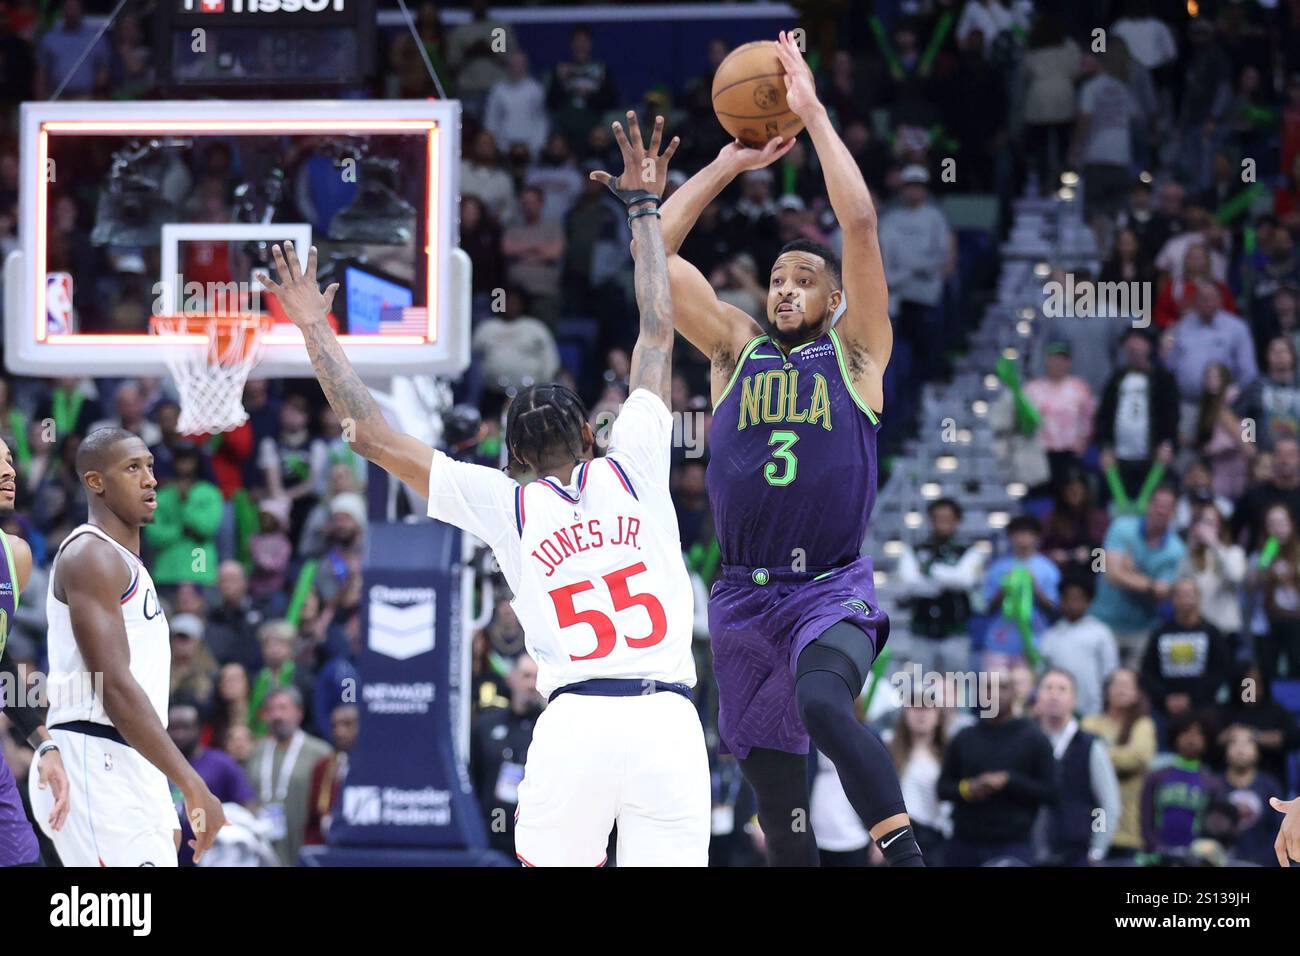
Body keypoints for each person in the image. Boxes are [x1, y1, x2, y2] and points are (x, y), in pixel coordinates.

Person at [259, 113, 711, 867]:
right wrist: (642, 208)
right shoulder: (633, 460)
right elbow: (657, 332)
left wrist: (312, 325)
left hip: (577, 720)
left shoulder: (508, 504)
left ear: (514, 462)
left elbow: (371, 435)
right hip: (666, 716)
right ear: (594, 435)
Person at [655, 32, 923, 867]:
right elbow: (652, 256)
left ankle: (911, 859)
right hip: (739, 597)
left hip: (827, 587)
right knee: (774, 795)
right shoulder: (734, 350)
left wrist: (811, 112)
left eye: (804, 277)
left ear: (836, 299)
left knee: (825, 705)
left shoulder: (857, 355)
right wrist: (730, 164)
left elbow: (862, 221)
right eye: (776, 276)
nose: (784, 286)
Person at [29, 427, 225, 865]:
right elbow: (113, 687)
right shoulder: (91, 556)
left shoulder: (126, 562)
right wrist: (191, 781)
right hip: (95, 756)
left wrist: (159, 786)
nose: (151, 479)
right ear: (96, 482)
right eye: (132, 468)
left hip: (127, 759)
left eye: (151, 466)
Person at [0, 436, 69, 866]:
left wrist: (43, 745)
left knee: (25, 860)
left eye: (9, 461)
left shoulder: (15, 555)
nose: (9, 471)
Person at [937, 671, 1058, 866]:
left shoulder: (1034, 738)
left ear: (1014, 693)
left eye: (1002, 687)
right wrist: (970, 788)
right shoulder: (964, 737)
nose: (994, 694)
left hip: (1013, 844)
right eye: (988, 687)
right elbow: (943, 789)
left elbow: (1052, 792)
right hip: (964, 843)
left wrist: (1009, 781)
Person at [1033, 669, 1121, 866]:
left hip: (1077, 853)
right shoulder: (1027, 742)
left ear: (1073, 699)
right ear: (1038, 697)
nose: (1054, 695)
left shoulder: (1090, 745)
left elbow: (1106, 805)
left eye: (1062, 689)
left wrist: (1097, 848)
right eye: (1048, 688)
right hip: (1032, 852)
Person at [1089, 485, 1187, 662]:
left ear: (1174, 512)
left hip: (1143, 630)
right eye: (1157, 504)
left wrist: (1130, 571)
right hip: (1103, 622)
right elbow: (1111, 575)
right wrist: (1150, 584)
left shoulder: (1176, 549)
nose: (1161, 510)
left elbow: (1162, 593)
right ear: (1148, 505)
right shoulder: (1121, 527)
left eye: (1167, 506)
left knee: (1133, 687)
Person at [243, 687, 331, 866]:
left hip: (302, 843)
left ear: (299, 713)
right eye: (271, 710)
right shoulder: (256, 752)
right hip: (262, 845)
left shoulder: (320, 753)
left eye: (283, 708)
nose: (276, 715)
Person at [893, 497, 982, 674]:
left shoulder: (969, 550)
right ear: (930, 520)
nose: (942, 523)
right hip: (921, 630)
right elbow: (908, 583)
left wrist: (931, 571)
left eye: (947, 518)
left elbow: (965, 580)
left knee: (957, 687)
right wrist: (946, 579)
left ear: (957, 520)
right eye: (937, 518)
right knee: (922, 688)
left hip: (955, 631)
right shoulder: (915, 549)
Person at [167, 697, 256, 867]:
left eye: (186, 727)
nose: (179, 734)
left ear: (200, 728)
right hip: (167, 857)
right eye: (173, 728)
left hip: (214, 859)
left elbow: (248, 807)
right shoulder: (155, 765)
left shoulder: (222, 763)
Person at [470, 654, 544, 855]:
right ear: (511, 678)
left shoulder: (549, 727)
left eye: (536, 677)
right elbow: (473, 775)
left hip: (534, 829)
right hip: (494, 826)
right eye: (526, 676)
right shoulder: (486, 724)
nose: (531, 684)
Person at [1081, 668, 1157, 863]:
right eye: (1116, 684)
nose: (1120, 690)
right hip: (1091, 821)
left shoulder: (1142, 724)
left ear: (1137, 692)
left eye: (1127, 685)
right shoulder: (1091, 722)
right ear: (1106, 690)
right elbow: (1081, 757)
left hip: (1127, 827)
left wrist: (1098, 757)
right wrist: (1116, 757)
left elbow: (1139, 757)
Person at [1140, 578, 1232, 727]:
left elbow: (1220, 671)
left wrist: (1192, 698)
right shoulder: (1160, 633)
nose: (1185, 599)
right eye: (1180, 595)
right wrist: (1166, 698)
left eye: (1190, 594)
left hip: (1203, 706)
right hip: (1166, 708)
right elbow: (1148, 672)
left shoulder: (1212, 633)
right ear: (1172, 600)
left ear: (1199, 598)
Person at [1038, 576, 1119, 718]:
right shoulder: (1051, 635)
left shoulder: (1100, 632)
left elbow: (1110, 672)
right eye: (1068, 598)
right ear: (1061, 601)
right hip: (1059, 711)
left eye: (1078, 599)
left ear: (1088, 602)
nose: (1072, 604)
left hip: (1093, 710)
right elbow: (1042, 672)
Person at [304, 703, 359, 846]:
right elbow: (312, 821)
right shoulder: (323, 767)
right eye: (335, 726)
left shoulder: (375, 767)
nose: (339, 732)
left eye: (347, 725)